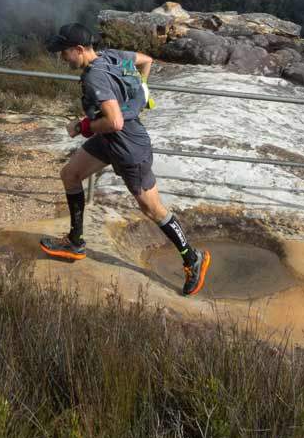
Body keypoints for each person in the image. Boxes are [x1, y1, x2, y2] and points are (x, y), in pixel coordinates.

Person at [39, 22, 211, 296]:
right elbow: (147, 60)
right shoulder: (112, 55)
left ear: (80, 49)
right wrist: (142, 91)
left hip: (129, 148)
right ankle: (75, 242)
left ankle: (192, 258)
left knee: (153, 209)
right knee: (70, 175)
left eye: (64, 51)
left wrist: (81, 127)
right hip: (110, 142)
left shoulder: (95, 76)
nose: (61, 57)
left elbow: (115, 121)